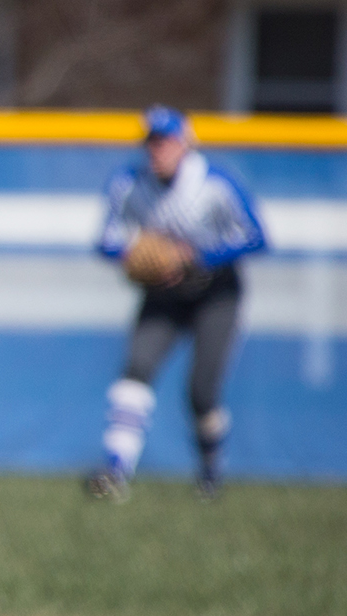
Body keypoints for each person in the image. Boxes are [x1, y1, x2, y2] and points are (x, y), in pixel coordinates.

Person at [87, 106, 267, 502]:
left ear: (185, 144)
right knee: (136, 369)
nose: (158, 150)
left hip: (216, 293)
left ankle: (210, 472)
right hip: (164, 293)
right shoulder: (130, 182)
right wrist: (136, 255)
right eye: (152, 142)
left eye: (166, 141)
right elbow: (105, 241)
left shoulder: (213, 183)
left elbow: (257, 237)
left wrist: (196, 257)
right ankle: (115, 470)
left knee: (201, 392)